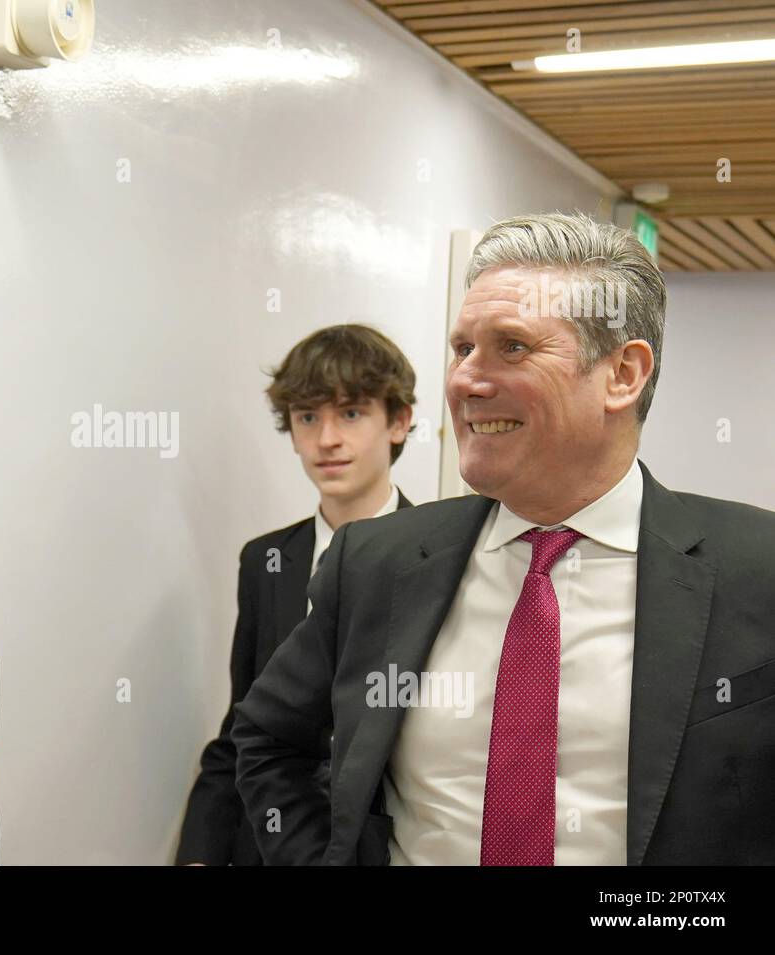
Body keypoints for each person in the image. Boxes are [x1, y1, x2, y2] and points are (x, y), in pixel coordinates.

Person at [232, 210, 775, 866]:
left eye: (512, 346)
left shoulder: (755, 567)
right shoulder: (377, 562)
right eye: (463, 348)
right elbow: (267, 738)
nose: (466, 380)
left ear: (623, 374)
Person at [176, 325, 415, 865]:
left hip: (389, 845)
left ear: (398, 422)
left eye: (351, 413)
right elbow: (243, 723)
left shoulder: (441, 557)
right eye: (307, 417)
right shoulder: (266, 560)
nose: (326, 439)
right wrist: (198, 852)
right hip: (272, 843)